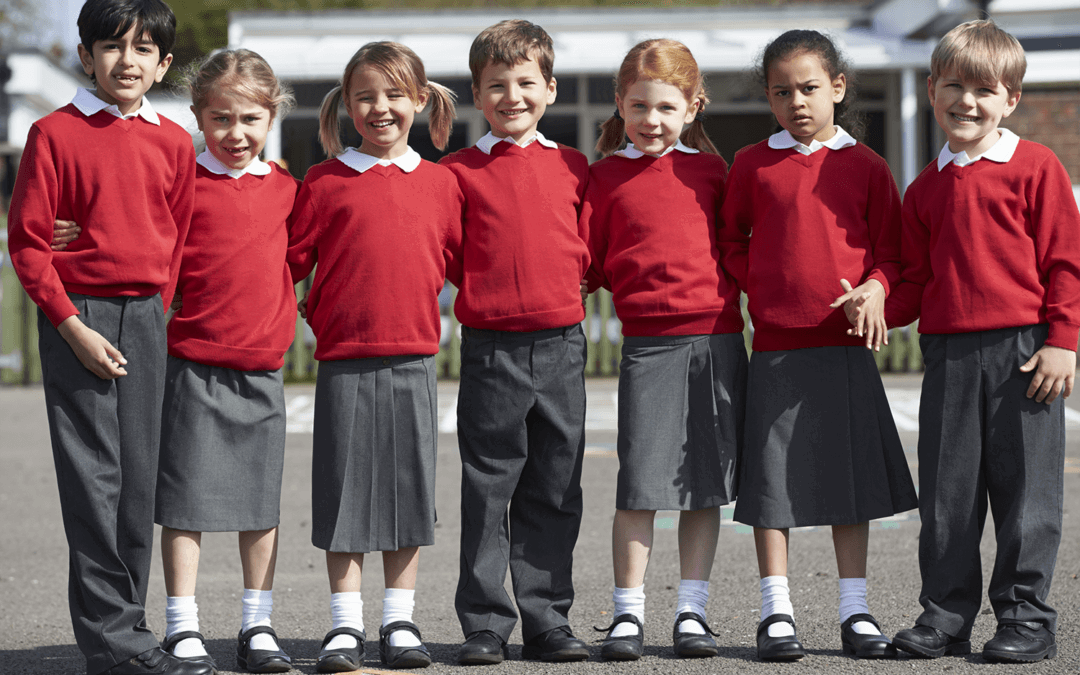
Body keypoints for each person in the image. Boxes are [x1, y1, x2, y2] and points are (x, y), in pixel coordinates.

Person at [6, 0, 203, 673]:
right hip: (78, 317)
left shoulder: (174, 142)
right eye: (112, 46)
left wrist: (157, 311)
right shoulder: (52, 134)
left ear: (163, 64)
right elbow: (28, 244)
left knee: (137, 483)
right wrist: (73, 328)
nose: (127, 60)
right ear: (86, 56)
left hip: (146, 318)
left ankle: (128, 630)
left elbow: (176, 236)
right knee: (95, 482)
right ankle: (114, 642)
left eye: (144, 48)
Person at [718, 29, 918, 662]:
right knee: (770, 484)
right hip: (776, 349)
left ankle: (855, 611)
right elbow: (731, 242)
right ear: (769, 97)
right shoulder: (751, 164)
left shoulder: (868, 166)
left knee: (848, 483)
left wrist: (876, 287)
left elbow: (892, 255)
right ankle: (775, 611)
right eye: (781, 92)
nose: (796, 102)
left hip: (845, 349)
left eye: (808, 88)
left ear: (838, 87)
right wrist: (762, 283)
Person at [885, 20, 1080, 664]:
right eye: (953, 86)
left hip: (1027, 354)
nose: (966, 101)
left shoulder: (1037, 166)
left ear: (1010, 100)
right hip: (948, 356)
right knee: (948, 497)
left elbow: (1066, 262)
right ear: (932, 90)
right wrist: (875, 304)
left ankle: (1025, 617)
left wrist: (1064, 339)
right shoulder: (924, 188)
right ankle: (945, 616)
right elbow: (915, 282)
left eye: (984, 90)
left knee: (1028, 495)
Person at [286, 41, 461, 672]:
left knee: (408, 494)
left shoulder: (443, 184)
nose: (380, 108)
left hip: (414, 360)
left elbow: (469, 264)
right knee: (343, 496)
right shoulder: (323, 182)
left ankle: (399, 621)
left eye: (394, 95)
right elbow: (284, 262)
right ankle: (345, 625)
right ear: (346, 104)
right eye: (365, 97)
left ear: (420, 100)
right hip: (343, 361)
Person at [582, 39, 746, 661]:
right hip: (648, 348)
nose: (651, 120)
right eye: (639, 107)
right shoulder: (603, 178)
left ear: (693, 107)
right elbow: (590, 262)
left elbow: (738, 246)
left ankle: (691, 612)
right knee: (641, 485)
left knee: (703, 486)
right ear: (620, 105)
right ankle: (628, 614)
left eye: (666, 108)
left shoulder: (714, 174)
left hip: (717, 343)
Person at [438, 18, 592, 665]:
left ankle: (548, 619)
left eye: (526, 82)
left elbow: (588, 247)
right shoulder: (457, 172)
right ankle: (484, 622)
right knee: (488, 487)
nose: (512, 96)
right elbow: (448, 252)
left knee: (555, 484)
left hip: (561, 345)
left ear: (550, 89)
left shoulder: (575, 167)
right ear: (477, 94)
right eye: (496, 85)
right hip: (491, 348)